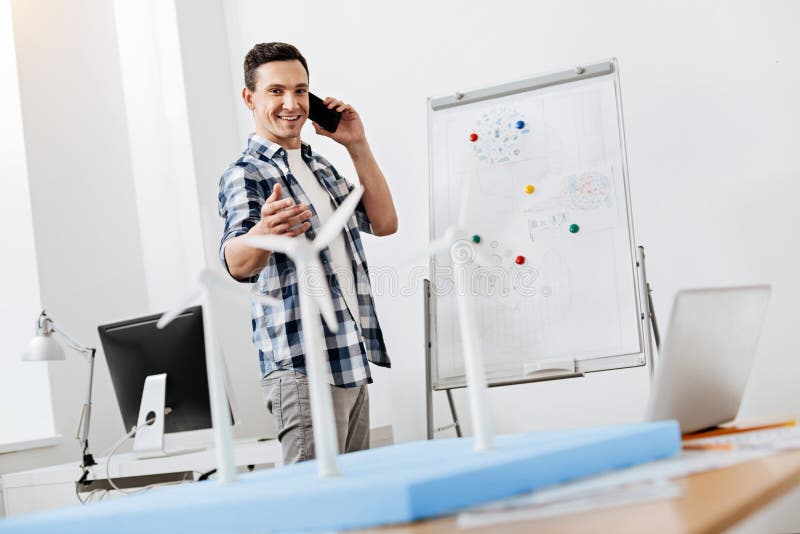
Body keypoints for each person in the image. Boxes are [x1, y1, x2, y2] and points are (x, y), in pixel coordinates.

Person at [218, 42, 397, 464]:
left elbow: (385, 222)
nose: (291, 103)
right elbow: (236, 263)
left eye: (300, 91)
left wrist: (356, 143)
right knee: (313, 508)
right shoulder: (246, 173)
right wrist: (263, 232)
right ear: (250, 98)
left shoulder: (321, 168)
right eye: (276, 91)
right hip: (301, 364)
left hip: (348, 356)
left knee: (354, 504)